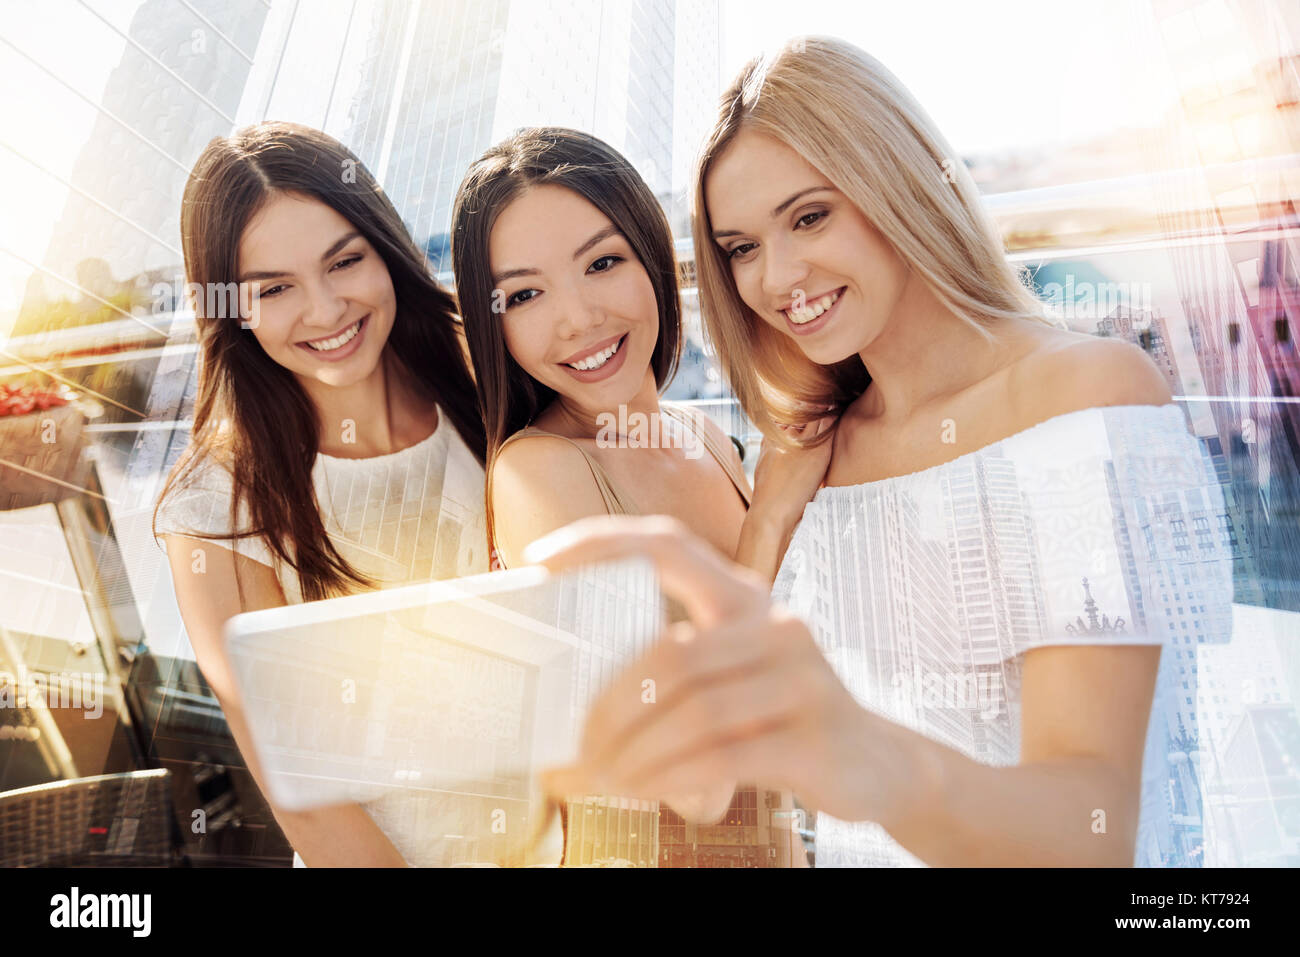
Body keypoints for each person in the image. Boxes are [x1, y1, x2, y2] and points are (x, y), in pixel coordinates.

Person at [534, 37, 1233, 867]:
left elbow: (1095, 828)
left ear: (897, 181)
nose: (779, 276)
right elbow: (712, 781)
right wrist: (772, 517)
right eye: (742, 248)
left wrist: (870, 760)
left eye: (810, 215)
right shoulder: (816, 452)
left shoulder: (1084, 394)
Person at [152, 121, 518, 867]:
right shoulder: (215, 509)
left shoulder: (481, 385)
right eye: (275, 288)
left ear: (383, 250)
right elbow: (309, 801)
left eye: (344, 261)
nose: (324, 311)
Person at [451, 127, 818, 853]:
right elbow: (694, 784)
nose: (578, 318)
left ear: (653, 258)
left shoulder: (707, 436)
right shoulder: (538, 474)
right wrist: (772, 513)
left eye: (604, 262)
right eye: (524, 293)